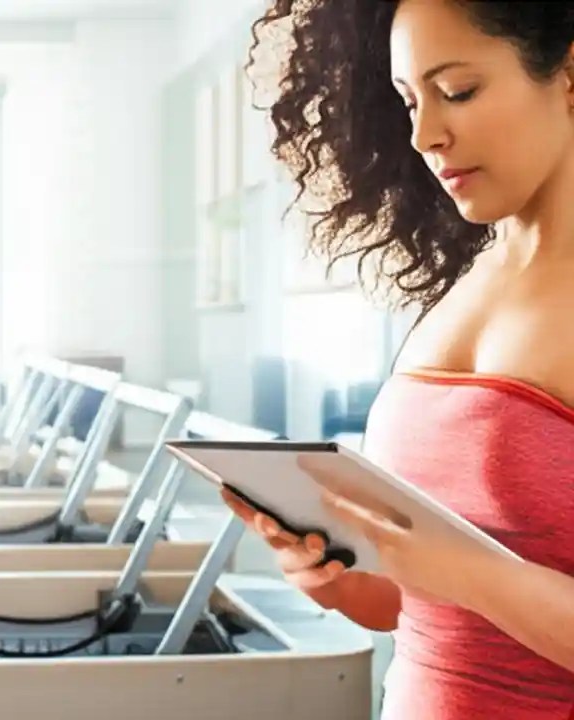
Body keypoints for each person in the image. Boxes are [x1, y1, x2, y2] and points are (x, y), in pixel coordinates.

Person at [229, 1, 574, 717]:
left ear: (569, 73)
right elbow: (423, 610)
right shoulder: (465, 288)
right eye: (409, 101)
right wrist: (334, 577)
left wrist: (471, 573)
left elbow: (469, 581)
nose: (425, 134)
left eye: (459, 92)